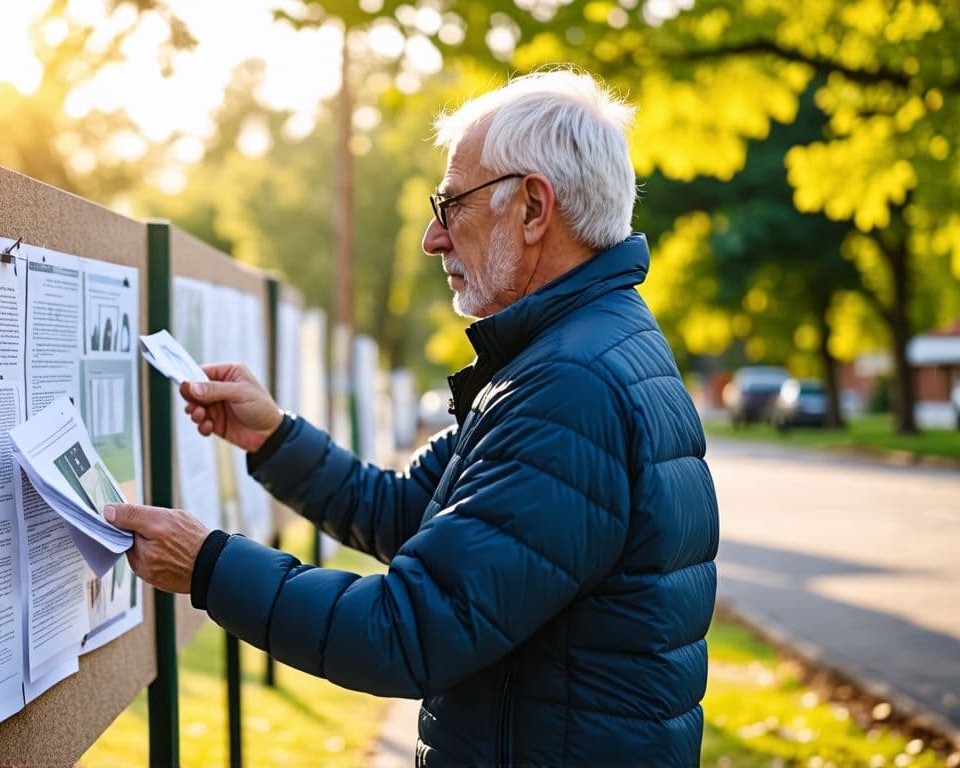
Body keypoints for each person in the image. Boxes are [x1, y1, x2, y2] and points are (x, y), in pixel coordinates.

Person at [106, 69, 719, 766]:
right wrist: (273, 437)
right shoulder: (577, 350)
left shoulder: (567, 387)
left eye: (452, 203)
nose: (433, 237)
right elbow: (413, 514)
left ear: (532, 208)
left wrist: (209, 567)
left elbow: (408, 632)